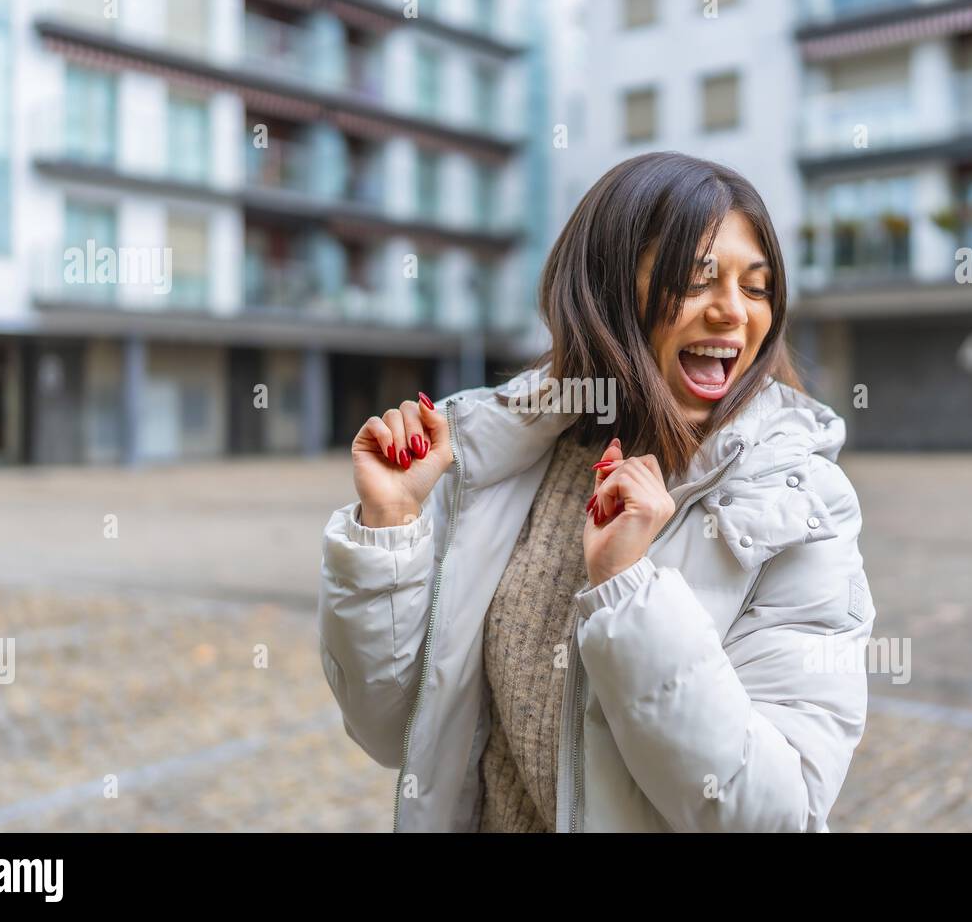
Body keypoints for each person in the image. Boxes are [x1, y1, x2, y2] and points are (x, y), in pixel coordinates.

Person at [318, 151, 875, 832]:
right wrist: (392, 523)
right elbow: (390, 732)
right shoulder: (505, 465)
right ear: (609, 289)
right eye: (699, 279)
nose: (733, 312)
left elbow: (775, 815)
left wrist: (627, 590)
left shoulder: (799, 505)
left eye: (756, 288)